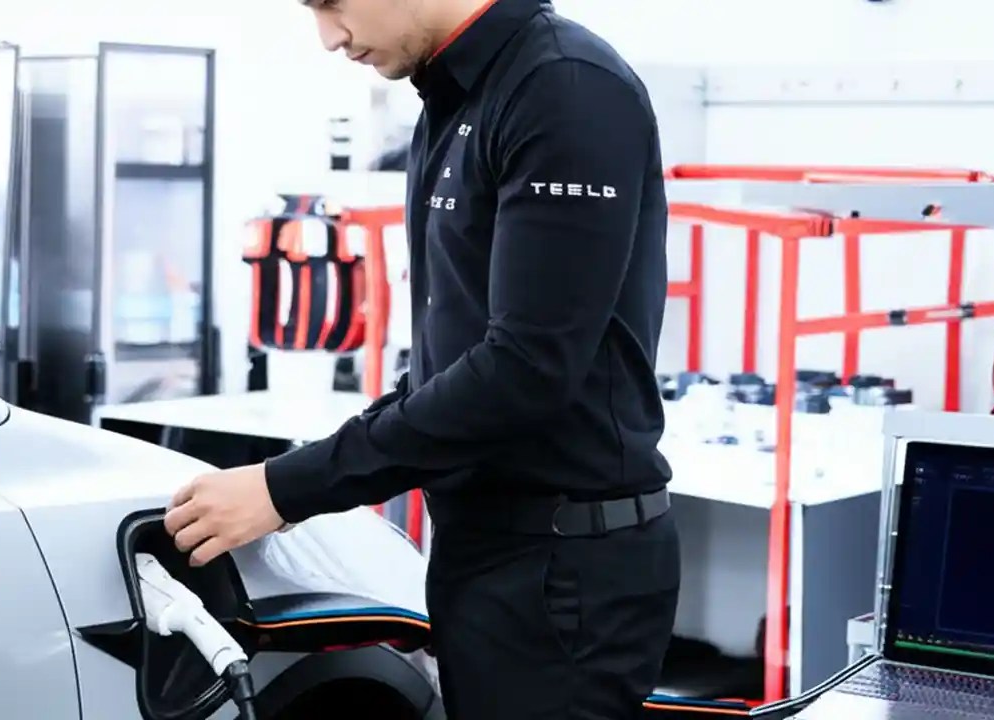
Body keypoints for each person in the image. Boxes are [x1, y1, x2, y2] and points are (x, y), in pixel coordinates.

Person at [163, 0, 680, 716]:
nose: (329, 38)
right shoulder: (455, 96)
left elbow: (524, 370)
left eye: (331, 4)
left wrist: (290, 487)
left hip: (563, 575)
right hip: (491, 557)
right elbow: (456, 364)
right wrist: (293, 485)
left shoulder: (563, 86)